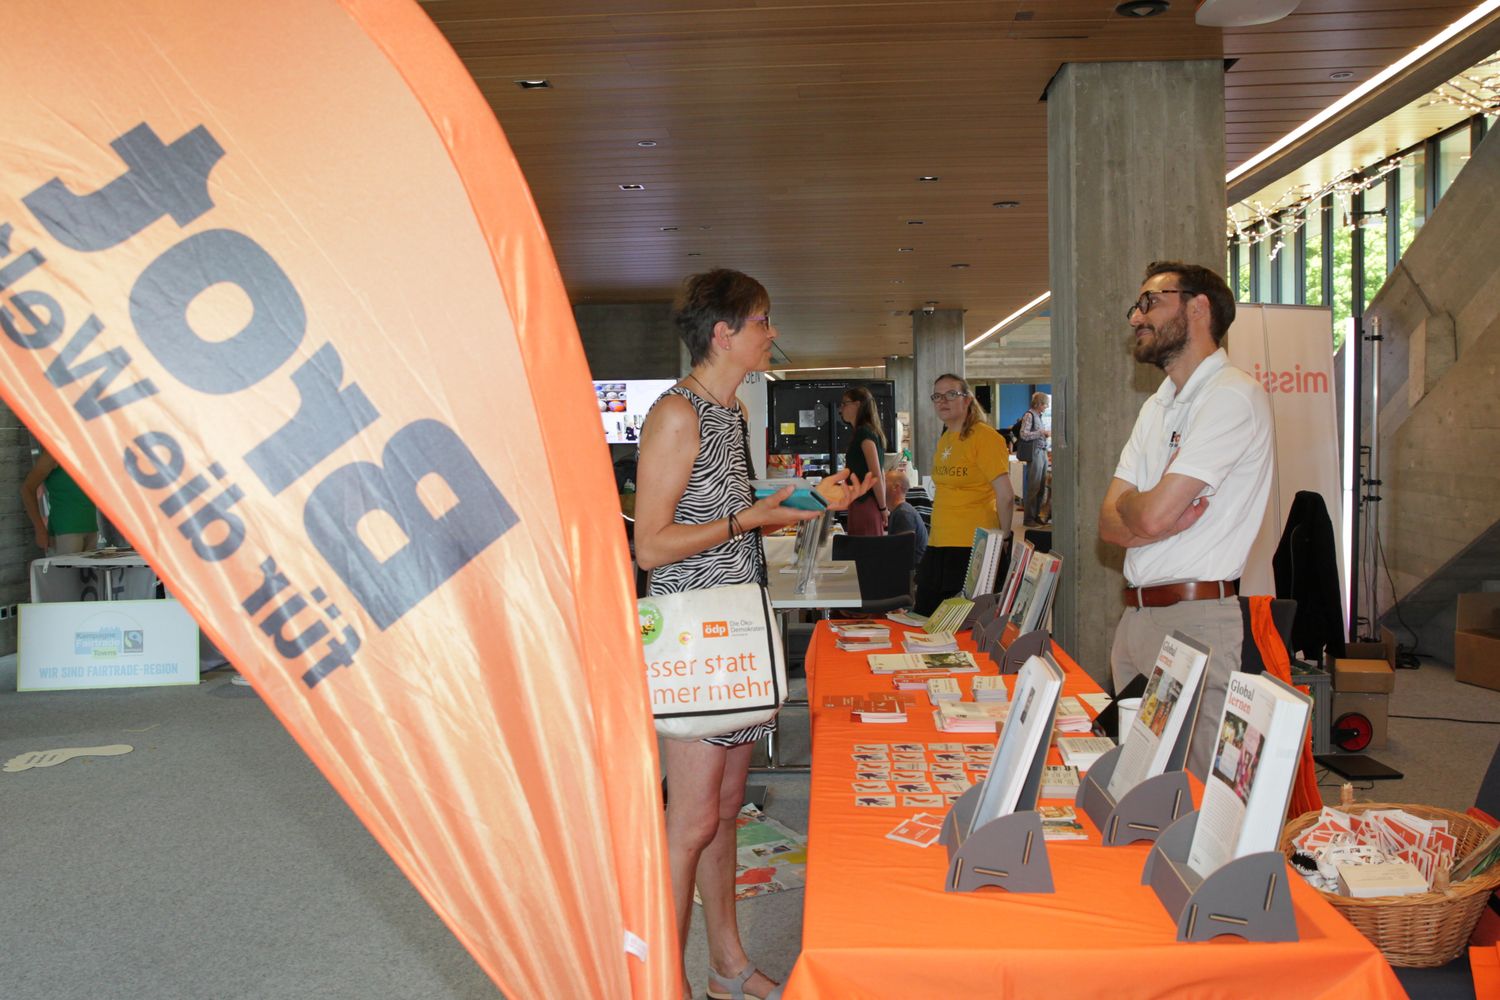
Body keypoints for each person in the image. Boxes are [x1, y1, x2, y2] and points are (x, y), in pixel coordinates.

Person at [633, 269, 866, 1000]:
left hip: (732, 631)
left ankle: (727, 967)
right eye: (762, 320)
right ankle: (660, 985)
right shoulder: (678, 415)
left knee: (727, 811)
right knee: (691, 819)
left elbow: (737, 502)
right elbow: (651, 546)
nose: (773, 333)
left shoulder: (731, 412)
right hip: (693, 641)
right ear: (724, 333)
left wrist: (801, 499)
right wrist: (751, 520)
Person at [1099, 260, 1273, 780]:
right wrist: (1153, 516)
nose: (1136, 316)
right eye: (1138, 305)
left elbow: (1143, 513)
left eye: (1151, 302)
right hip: (1136, 620)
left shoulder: (1230, 395)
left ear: (1198, 308)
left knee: (1198, 795)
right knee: (1136, 785)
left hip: (1195, 620)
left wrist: (1147, 513)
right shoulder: (1159, 404)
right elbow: (1110, 524)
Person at [914, 373, 1013, 615]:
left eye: (951, 394)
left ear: (967, 399)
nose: (942, 401)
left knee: (962, 625)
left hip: (972, 545)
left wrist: (1005, 538)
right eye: (937, 396)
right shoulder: (946, 437)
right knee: (925, 617)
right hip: (939, 541)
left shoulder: (985, 437)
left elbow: (1006, 495)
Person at [21, 448, 98, 554]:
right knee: (67, 570)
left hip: (91, 525)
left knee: (90, 570)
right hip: (66, 529)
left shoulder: (88, 449)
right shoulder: (53, 452)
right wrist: (40, 529)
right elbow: (27, 488)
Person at [838, 386, 889, 535]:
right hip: (860, 502)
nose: (841, 409)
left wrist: (883, 507)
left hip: (865, 504)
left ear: (857, 404)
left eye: (844, 403)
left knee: (865, 553)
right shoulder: (865, 432)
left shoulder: (864, 434)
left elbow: (876, 475)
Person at [884, 467, 928, 572]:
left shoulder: (903, 514)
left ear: (896, 487)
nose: (880, 485)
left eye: (884, 481)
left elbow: (903, 555)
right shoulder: (900, 511)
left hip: (910, 576)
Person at [1019, 391, 1051, 527]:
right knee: (1034, 486)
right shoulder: (1029, 415)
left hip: (1042, 452)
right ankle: (1028, 518)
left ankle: (1036, 515)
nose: (1046, 407)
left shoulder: (1038, 416)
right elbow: (1024, 434)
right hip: (1035, 453)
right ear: (1039, 404)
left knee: (1041, 487)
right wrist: (1041, 432)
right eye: (1045, 404)